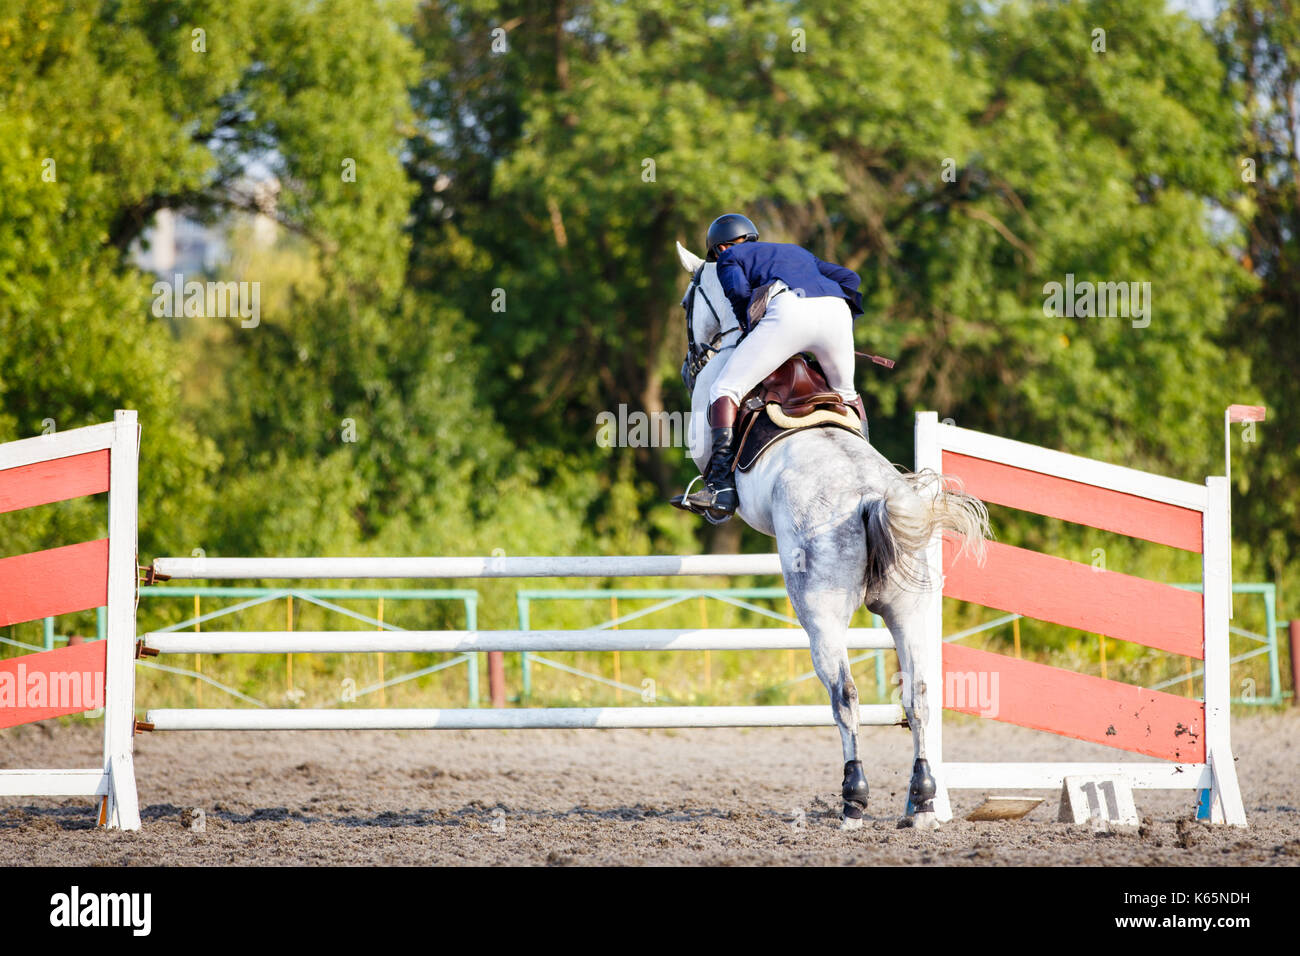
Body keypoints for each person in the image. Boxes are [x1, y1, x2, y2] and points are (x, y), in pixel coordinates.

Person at [678, 213, 866, 518]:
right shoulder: (796, 251)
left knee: (725, 388)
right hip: (836, 310)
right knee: (846, 395)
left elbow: (739, 295)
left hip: (789, 315)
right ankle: (864, 454)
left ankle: (721, 487)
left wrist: (750, 327)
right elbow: (850, 279)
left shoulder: (729, 259)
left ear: (720, 249)